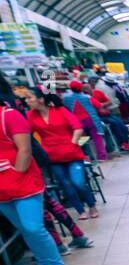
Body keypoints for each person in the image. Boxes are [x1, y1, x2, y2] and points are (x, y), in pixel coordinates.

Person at [0, 74, 78, 265]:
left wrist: (16, 175)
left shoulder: (9, 116)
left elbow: (24, 150)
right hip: (3, 190)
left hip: (24, 183)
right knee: (25, 228)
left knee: (33, 226)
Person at [25, 89, 99, 219]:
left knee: (79, 182)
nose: (26, 101)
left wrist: (72, 142)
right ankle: (80, 210)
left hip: (72, 154)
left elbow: (77, 127)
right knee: (66, 185)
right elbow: (26, 133)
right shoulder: (30, 115)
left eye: (29, 98)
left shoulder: (60, 110)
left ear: (41, 100)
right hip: (52, 156)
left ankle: (92, 205)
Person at [63, 81, 108, 161]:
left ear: (70, 88)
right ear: (81, 88)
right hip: (91, 120)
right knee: (97, 138)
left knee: (81, 140)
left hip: (76, 123)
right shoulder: (87, 97)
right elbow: (99, 105)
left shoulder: (66, 98)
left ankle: (86, 157)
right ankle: (101, 157)